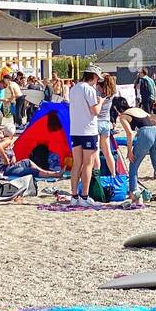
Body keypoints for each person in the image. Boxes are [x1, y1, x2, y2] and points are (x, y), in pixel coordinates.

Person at [116, 97, 156, 207]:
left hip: (146, 134)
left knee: (133, 165)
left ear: (116, 108)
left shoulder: (123, 116)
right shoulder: (137, 109)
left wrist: (129, 151)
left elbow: (129, 133)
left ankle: (133, 193)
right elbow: (152, 118)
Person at [67, 67, 104, 207]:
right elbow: (94, 111)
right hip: (88, 130)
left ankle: (74, 195)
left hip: (75, 130)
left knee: (77, 164)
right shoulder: (89, 89)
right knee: (88, 164)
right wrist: (101, 102)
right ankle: (84, 196)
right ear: (93, 76)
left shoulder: (74, 88)